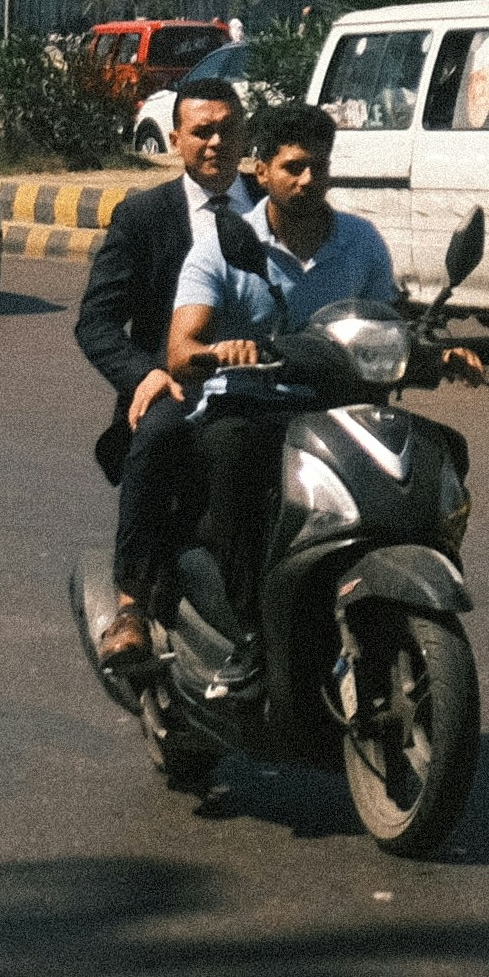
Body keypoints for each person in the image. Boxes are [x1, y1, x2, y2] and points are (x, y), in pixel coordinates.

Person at [111, 97, 407, 684]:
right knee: (235, 457)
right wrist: (219, 351)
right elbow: (181, 347)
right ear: (263, 172)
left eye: (318, 167)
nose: (307, 180)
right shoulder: (225, 244)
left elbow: (388, 321)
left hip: (333, 405)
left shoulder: (363, 242)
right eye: (293, 168)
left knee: (418, 452)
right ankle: (248, 630)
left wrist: (436, 349)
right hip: (250, 406)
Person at [74, 70, 247, 661]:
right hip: (175, 386)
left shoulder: (276, 208)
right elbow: (95, 321)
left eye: (227, 130)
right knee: (159, 435)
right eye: (202, 132)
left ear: (246, 136)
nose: (216, 144)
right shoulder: (145, 217)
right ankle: (131, 603)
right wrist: (143, 373)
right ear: (176, 140)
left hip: (264, 385)